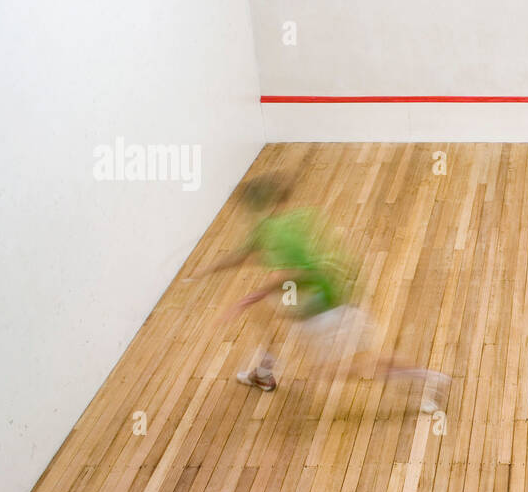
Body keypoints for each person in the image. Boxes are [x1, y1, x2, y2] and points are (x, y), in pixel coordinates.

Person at [187, 175, 448, 412]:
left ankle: (429, 378)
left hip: (327, 307)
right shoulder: (285, 222)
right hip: (329, 296)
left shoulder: (273, 234)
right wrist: (207, 269)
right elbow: (245, 255)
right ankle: (263, 372)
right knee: (266, 315)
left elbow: (289, 275)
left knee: (339, 369)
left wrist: (245, 300)